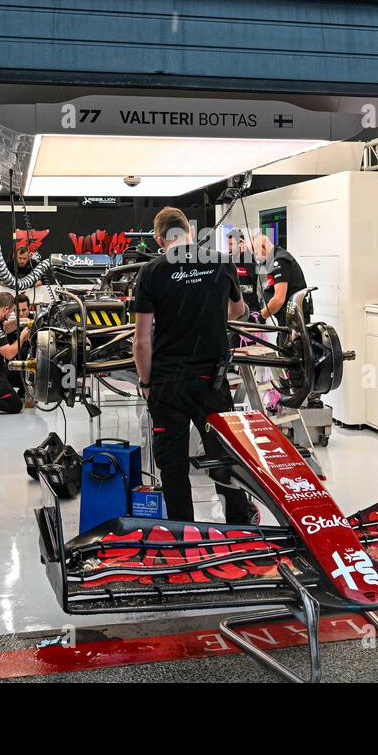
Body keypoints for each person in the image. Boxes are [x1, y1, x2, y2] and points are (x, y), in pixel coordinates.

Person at [133, 206, 255, 524]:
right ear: (188, 231)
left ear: (160, 238)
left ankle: (182, 534)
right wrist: (208, 315)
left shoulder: (151, 272)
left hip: (167, 384)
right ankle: (241, 527)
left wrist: (146, 384)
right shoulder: (221, 262)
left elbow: (142, 341)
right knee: (224, 455)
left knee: (172, 465)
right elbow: (238, 312)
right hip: (211, 383)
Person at [252, 233, 311, 326]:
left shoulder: (280, 261)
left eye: (256, 253)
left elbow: (279, 299)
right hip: (286, 318)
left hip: (294, 319)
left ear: (263, 247)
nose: (257, 257)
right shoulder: (274, 260)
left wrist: (261, 316)